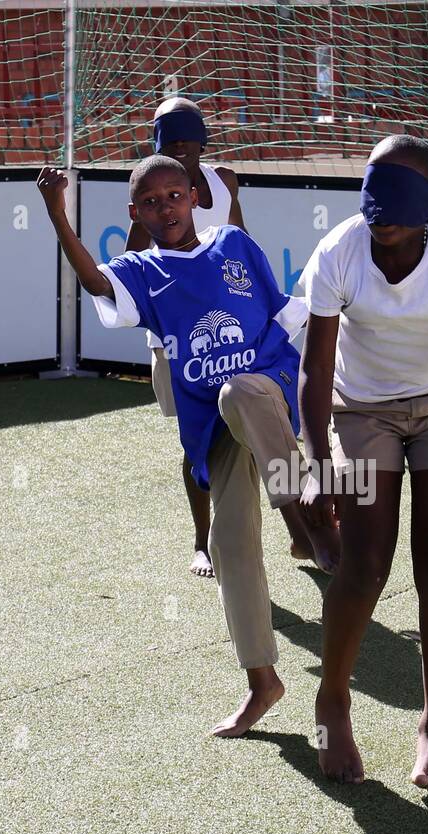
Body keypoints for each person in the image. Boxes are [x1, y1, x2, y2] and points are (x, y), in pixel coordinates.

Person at [37, 157, 337, 737]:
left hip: (265, 391)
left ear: (196, 196)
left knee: (241, 387)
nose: (165, 208)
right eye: (150, 202)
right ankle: (262, 682)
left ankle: (306, 520)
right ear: (135, 214)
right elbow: (96, 282)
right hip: (212, 424)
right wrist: (56, 215)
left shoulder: (234, 244)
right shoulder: (143, 272)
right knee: (229, 544)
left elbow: (280, 311)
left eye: (175, 195)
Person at [296, 135, 428, 791]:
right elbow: (315, 369)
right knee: (364, 565)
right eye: (373, 195)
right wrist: (316, 462)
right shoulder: (338, 251)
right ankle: (333, 698)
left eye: (397, 198)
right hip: (363, 411)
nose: (381, 214)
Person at [124, 97, 330, 578]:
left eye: (186, 140)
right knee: (198, 445)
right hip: (181, 345)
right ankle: (203, 542)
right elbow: (132, 265)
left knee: (265, 427)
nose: (179, 149)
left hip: (240, 337)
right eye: (168, 142)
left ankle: (300, 530)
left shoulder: (224, 182)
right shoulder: (152, 190)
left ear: (201, 140)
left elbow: (240, 244)